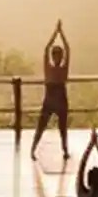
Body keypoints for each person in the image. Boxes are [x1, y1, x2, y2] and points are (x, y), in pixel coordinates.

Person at [31, 20, 71, 160]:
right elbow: (46, 49)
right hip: (50, 98)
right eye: (55, 56)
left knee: (62, 127)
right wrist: (56, 33)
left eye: (59, 56)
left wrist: (61, 33)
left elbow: (68, 49)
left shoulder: (63, 69)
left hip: (60, 97)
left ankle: (65, 150)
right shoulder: (49, 69)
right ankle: (33, 149)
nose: (57, 58)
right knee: (42, 124)